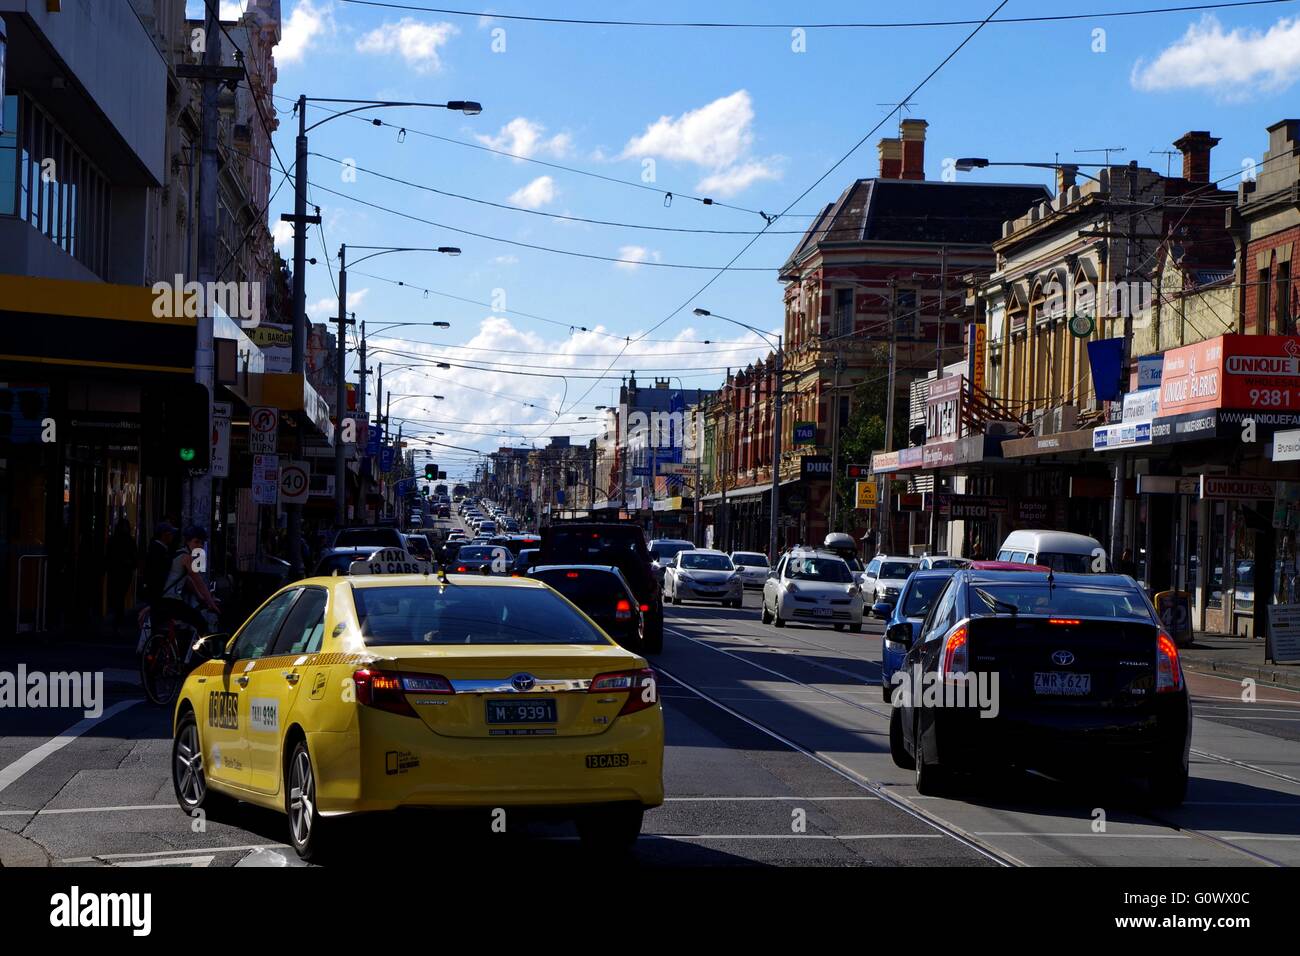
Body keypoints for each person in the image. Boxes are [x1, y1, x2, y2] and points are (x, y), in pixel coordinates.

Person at [154, 525, 221, 638]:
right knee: (201, 623)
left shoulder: (179, 553)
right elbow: (198, 580)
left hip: (165, 600)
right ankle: (197, 653)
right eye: (196, 542)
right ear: (188, 542)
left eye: (201, 543)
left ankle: (179, 652)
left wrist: (200, 597)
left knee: (186, 624)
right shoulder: (186, 557)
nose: (199, 546)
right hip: (171, 601)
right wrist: (211, 603)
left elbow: (188, 581)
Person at [105, 518, 137, 626]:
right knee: (120, 595)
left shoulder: (114, 540)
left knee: (117, 594)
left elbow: (108, 555)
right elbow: (134, 557)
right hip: (123, 572)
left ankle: (118, 615)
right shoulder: (129, 541)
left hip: (116, 571)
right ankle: (119, 616)